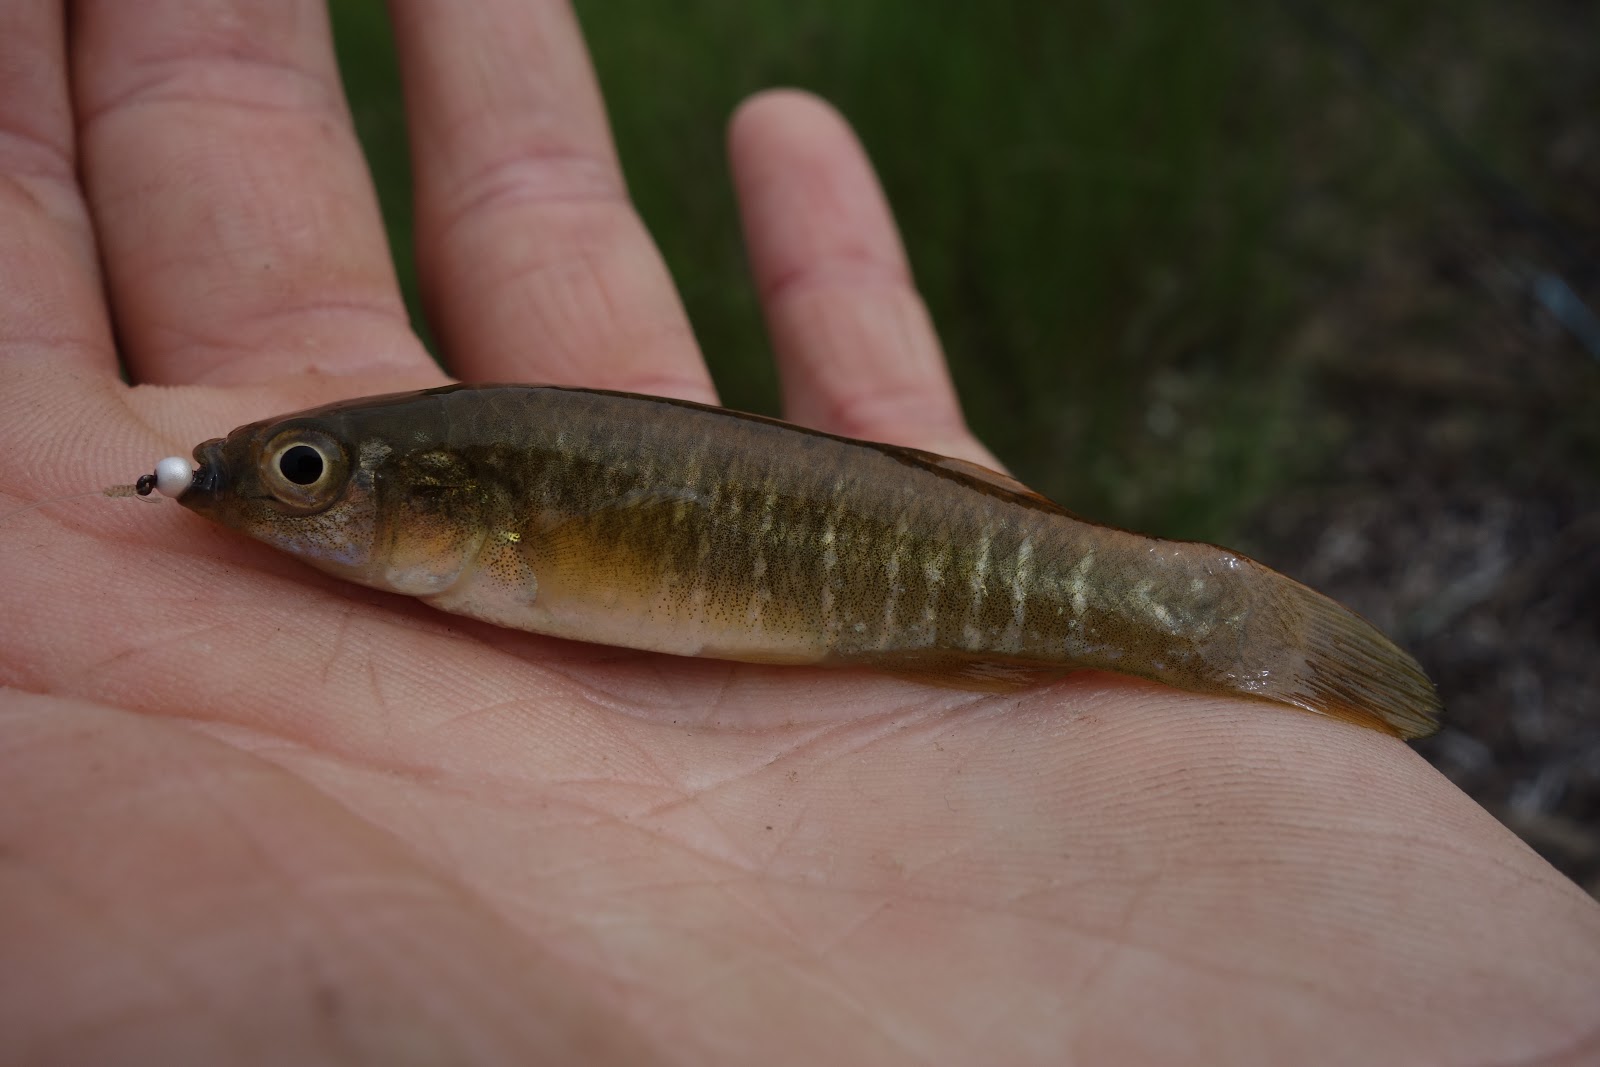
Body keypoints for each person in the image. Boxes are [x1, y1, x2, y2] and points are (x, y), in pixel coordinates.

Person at [1, 3, 1595, 1063]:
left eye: (300, 477)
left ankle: (1214, 631)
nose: (280, 494)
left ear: (461, 508)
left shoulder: (497, 502)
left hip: (960, 583)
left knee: (1117, 601)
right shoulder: (458, 508)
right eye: (296, 472)